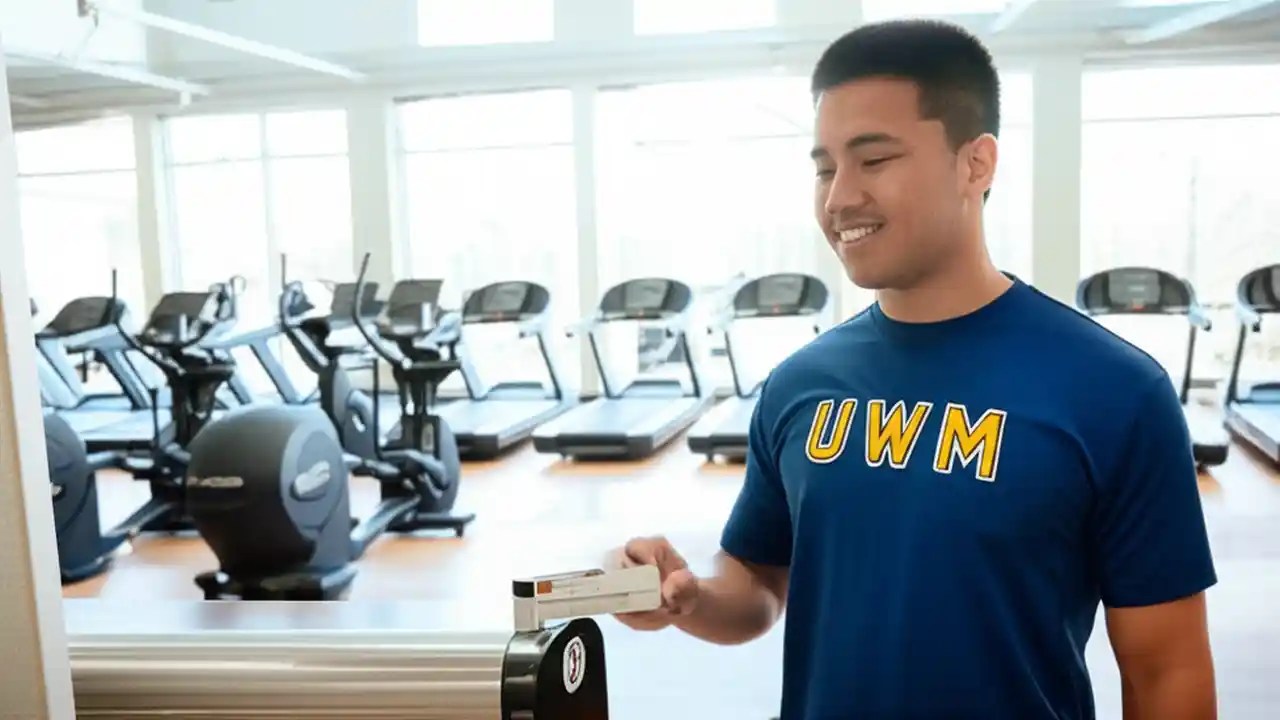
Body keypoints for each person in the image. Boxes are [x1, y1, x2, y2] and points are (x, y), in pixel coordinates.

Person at [610, 18, 1218, 720]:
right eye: (823, 166)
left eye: (874, 160)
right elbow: (760, 583)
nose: (838, 198)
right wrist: (689, 594)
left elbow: (1167, 673)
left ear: (976, 164)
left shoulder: (1114, 392)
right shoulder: (798, 384)